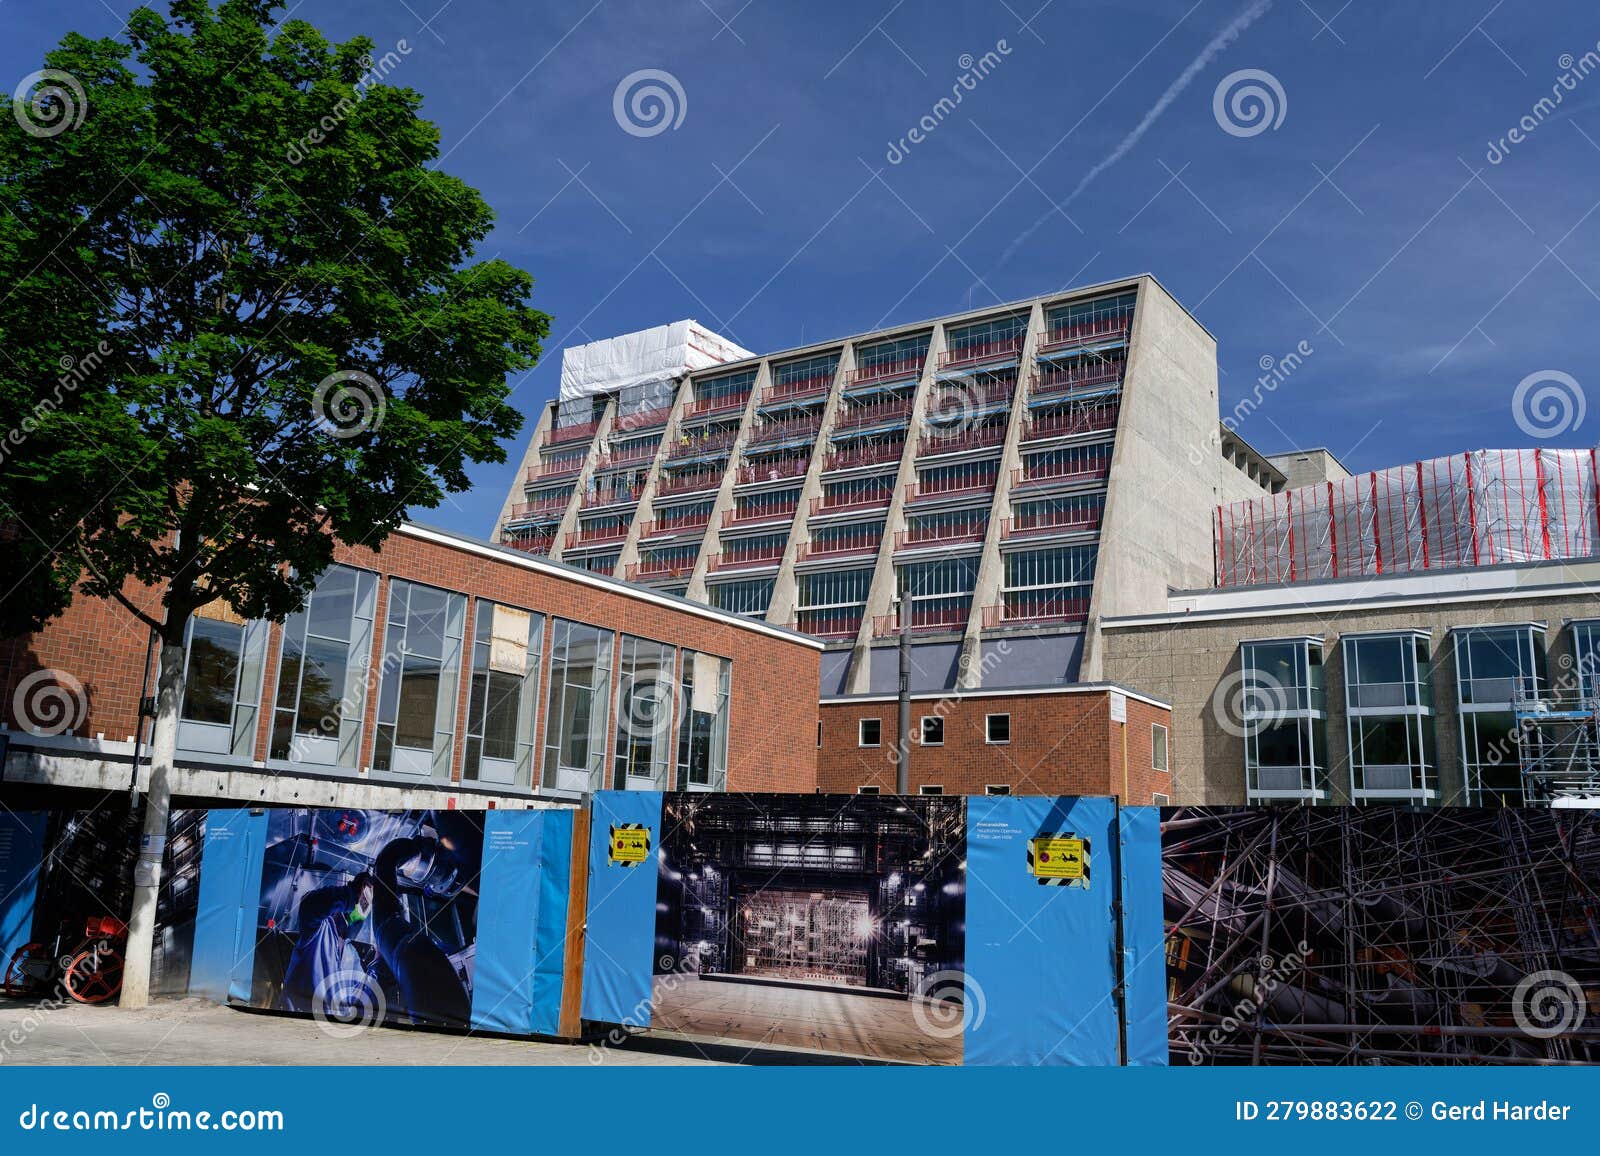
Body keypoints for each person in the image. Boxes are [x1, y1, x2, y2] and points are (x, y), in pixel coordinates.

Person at [280, 872, 376, 1015]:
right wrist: (351, 894)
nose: (363, 905)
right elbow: (310, 903)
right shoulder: (317, 930)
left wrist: (381, 960)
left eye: (366, 904)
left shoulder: (351, 954)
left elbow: (363, 992)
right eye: (363, 899)